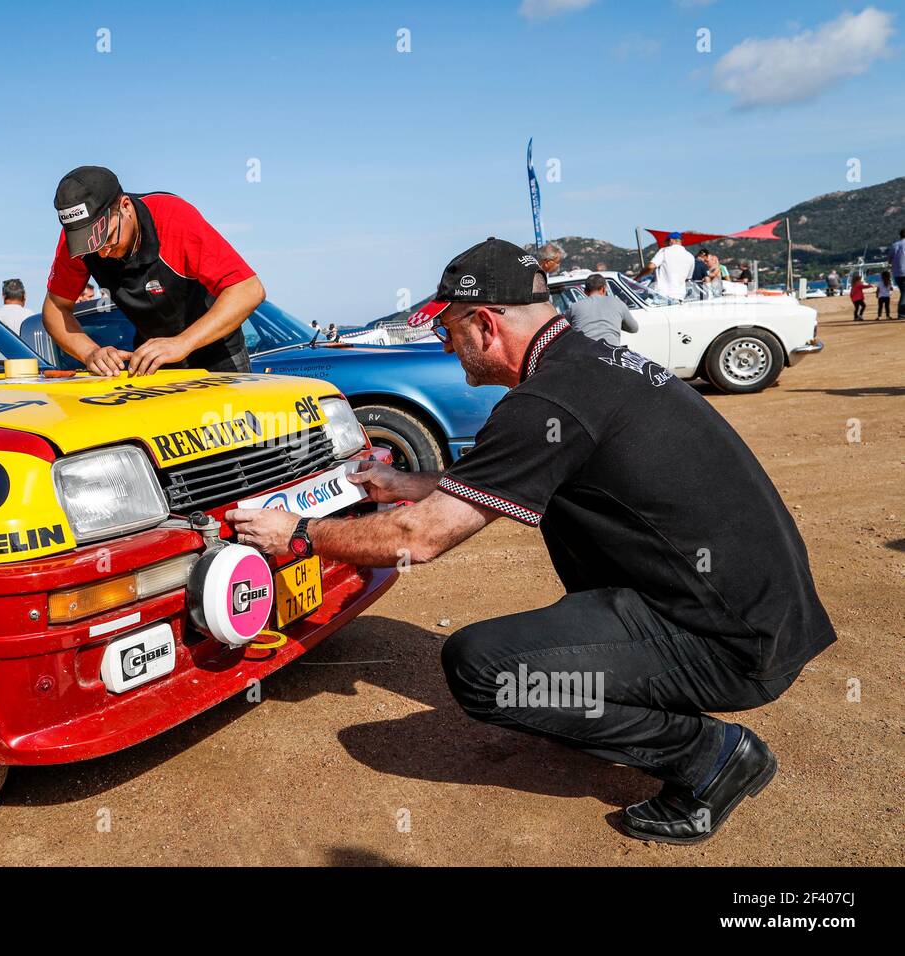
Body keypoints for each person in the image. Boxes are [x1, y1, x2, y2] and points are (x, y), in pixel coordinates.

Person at [228, 237, 835, 845]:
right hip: (756, 612)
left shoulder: (545, 400)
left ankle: (711, 756)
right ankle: (645, 709)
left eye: (448, 329)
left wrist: (297, 532)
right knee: (559, 634)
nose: (444, 344)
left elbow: (419, 539)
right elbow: (515, 472)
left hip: (728, 644)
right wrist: (405, 481)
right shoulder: (587, 366)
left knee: (484, 669)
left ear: (485, 324)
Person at [43, 165, 265, 376]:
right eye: (91, 247)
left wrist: (183, 342)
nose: (102, 253)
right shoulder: (75, 243)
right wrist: (90, 352)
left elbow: (248, 290)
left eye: (108, 238)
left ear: (126, 207)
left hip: (217, 355)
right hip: (153, 360)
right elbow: (55, 308)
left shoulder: (174, 218)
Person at [567, 273, 639, 345]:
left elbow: (563, 331)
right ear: (604, 288)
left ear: (585, 291)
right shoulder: (618, 303)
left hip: (583, 353)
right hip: (610, 352)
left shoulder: (574, 307)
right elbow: (634, 328)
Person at [635, 232, 695, 301]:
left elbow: (650, 267)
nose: (666, 243)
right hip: (680, 297)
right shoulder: (690, 256)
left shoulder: (665, 251)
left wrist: (638, 277)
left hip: (662, 295)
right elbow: (688, 278)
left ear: (671, 240)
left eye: (666, 241)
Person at [892, 228, 905, 319]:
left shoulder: (894, 245)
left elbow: (889, 260)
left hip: (897, 273)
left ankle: (902, 313)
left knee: (903, 292)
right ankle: (901, 313)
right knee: (904, 292)